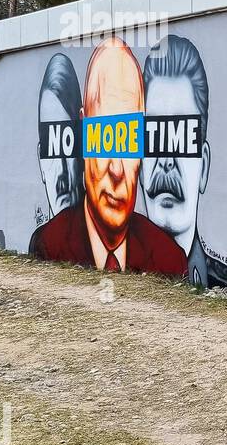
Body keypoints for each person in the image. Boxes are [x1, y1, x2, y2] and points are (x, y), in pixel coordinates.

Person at [29, 37, 187, 277]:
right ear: (83, 134)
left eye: (129, 139)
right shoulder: (50, 246)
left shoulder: (168, 259)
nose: (116, 170)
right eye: (104, 137)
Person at [142, 35, 227, 292]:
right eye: (155, 137)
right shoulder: (122, 265)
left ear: (204, 168)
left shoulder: (226, 284)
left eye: (181, 137)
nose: (166, 162)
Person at [35, 52, 84, 223]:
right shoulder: (38, 242)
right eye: (53, 145)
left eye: (68, 142)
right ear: (40, 158)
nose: (62, 172)